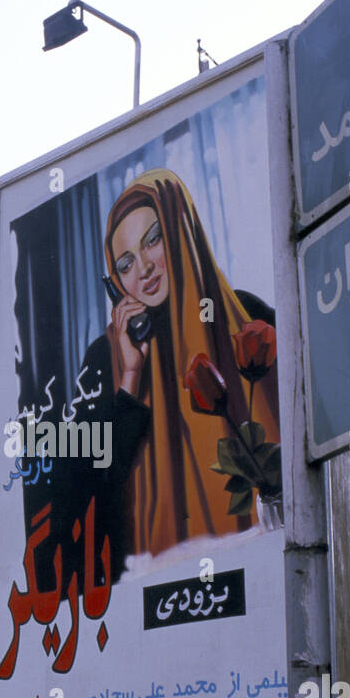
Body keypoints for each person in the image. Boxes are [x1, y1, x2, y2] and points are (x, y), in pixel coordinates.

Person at [73, 169, 280, 576]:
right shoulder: (106, 357)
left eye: (153, 239)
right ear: (115, 281)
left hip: (261, 571)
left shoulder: (247, 319)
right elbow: (93, 494)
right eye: (126, 263)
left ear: (181, 230)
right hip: (151, 588)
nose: (145, 268)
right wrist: (130, 375)